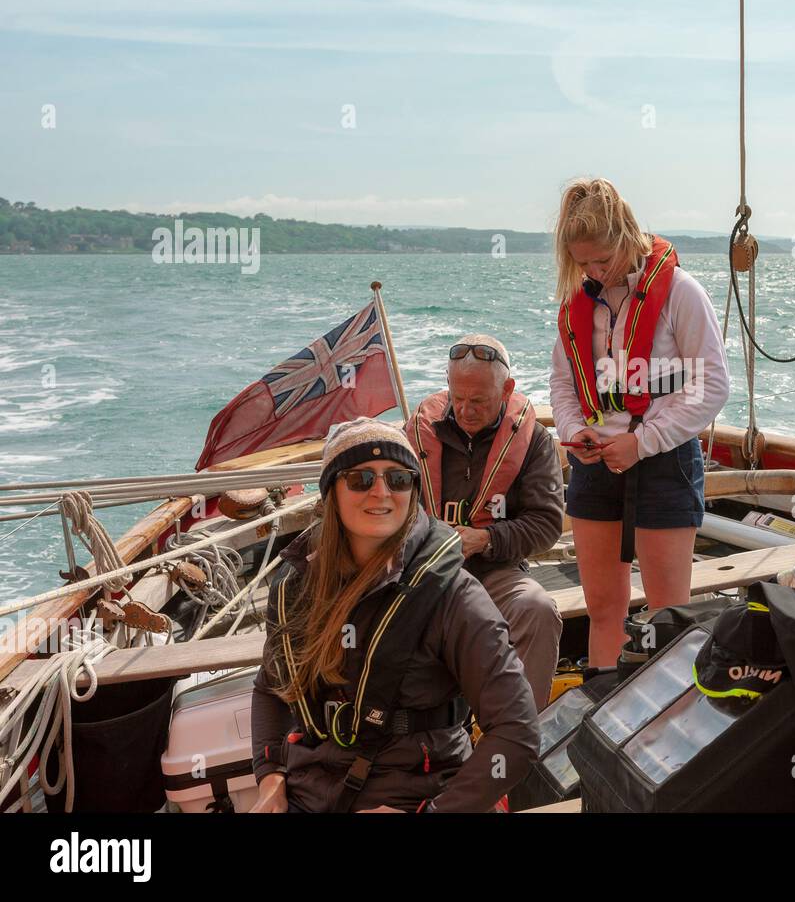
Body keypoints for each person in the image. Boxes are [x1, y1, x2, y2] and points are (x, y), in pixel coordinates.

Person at [248, 418, 538, 812]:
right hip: (310, 792)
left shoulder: (453, 597)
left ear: (414, 491)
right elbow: (271, 689)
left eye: (399, 479)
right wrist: (270, 782)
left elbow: (517, 733)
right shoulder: (299, 584)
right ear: (331, 491)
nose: (381, 492)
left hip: (415, 796)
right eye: (360, 478)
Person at [549, 178, 729, 666]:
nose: (594, 272)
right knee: (603, 608)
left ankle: (671, 722)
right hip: (595, 467)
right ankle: (600, 712)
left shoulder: (681, 295)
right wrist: (573, 431)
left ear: (629, 238)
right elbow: (563, 386)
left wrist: (642, 442)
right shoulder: (576, 303)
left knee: (670, 612)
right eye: (582, 263)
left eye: (603, 260)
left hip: (665, 464)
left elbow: (711, 386)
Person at [404, 333, 564, 711]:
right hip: (422, 572)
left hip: (495, 570)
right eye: (458, 398)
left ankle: (519, 738)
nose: (466, 409)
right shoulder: (416, 436)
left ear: (507, 389)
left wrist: (485, 539)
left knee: (537, 609)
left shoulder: (535, 441)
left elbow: (546, 523)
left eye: (479, 400)